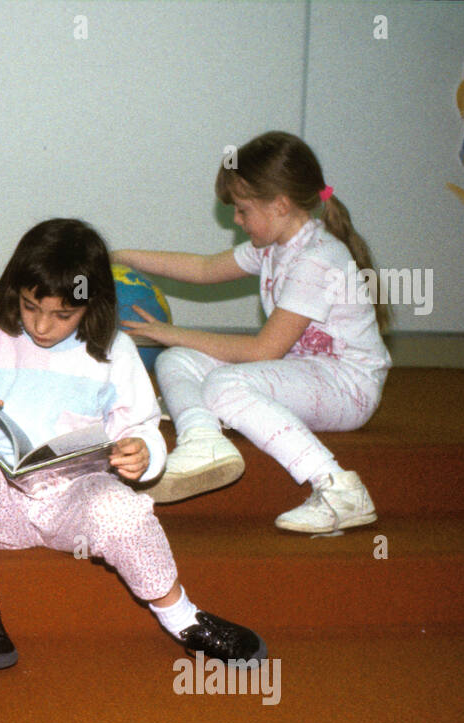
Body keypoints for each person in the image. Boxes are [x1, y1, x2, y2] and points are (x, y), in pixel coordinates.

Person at [0, 217, 267, 670]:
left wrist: (143, 453)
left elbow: (141, 428)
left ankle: (182, 617)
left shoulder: (113, 351)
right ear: (14, 293)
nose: (42, 325)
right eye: (30, 306)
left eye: (63, 315)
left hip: (71, 500)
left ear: (90, 306)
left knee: (124, 509)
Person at [115, 130, 390, 533]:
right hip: (307, 371)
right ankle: (203, 441)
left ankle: (337, 488)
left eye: (242, 211)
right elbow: (204, 269)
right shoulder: (274, 246)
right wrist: (119, 255)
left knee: (225, 384)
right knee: (177, 361)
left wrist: (172, 332)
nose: (238, 221)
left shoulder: (318, 258)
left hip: (349, 385)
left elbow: (264, 349)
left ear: (279, 204)